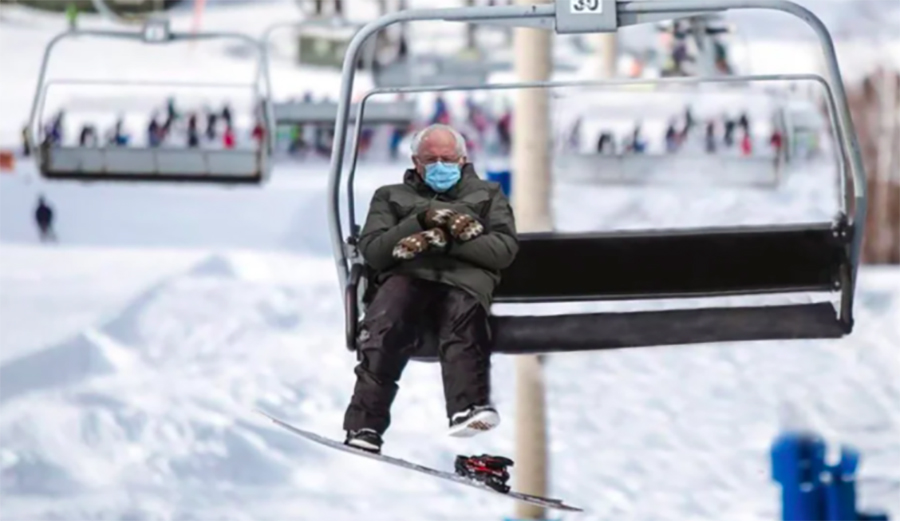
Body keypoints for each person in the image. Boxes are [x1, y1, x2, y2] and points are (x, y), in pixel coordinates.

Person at [343, 124, 519, 454]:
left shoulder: (487, 194)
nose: (440, 166)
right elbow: (376, 251)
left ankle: (467, 408)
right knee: (386, 323)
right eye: (430, 159)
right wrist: (422, 220)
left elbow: (503, 250)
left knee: (462, 317)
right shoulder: (390, 196)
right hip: (407, 279)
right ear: (415, 162)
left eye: (447, 159)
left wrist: (443, 242)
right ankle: (365, 423)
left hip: (463, 281)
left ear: (463, 159)